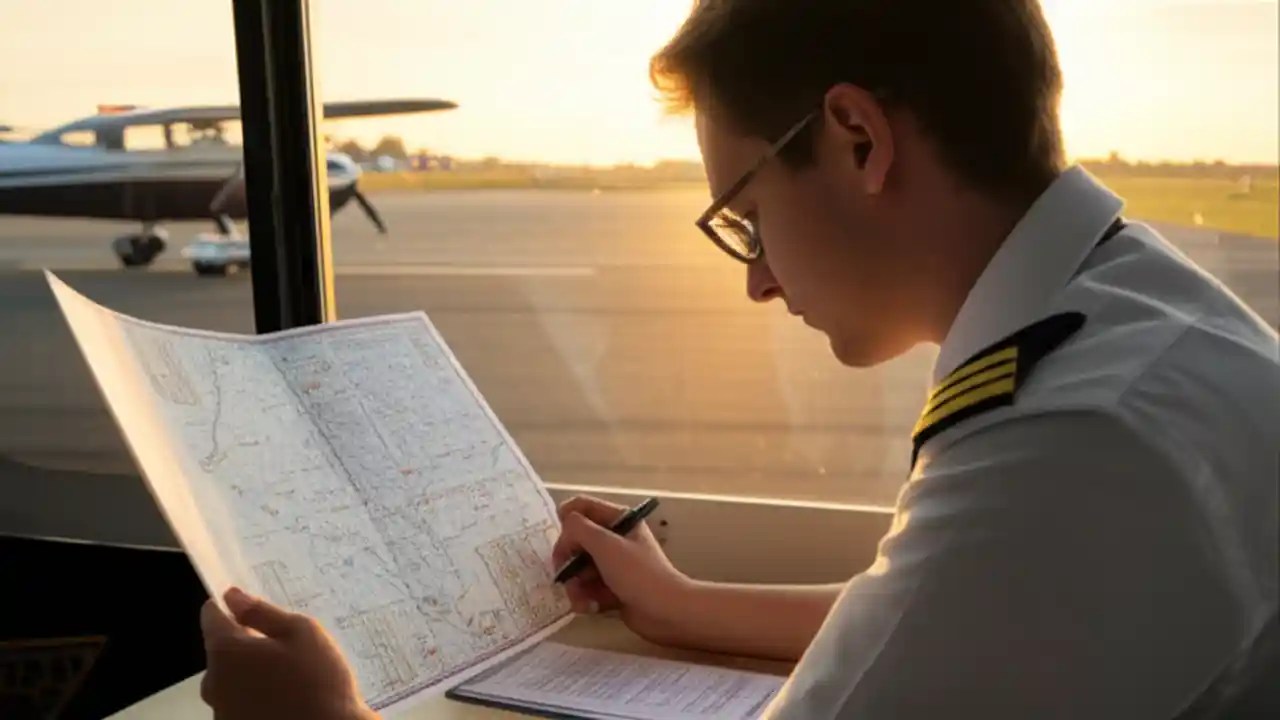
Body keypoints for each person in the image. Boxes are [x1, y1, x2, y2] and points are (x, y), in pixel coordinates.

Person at [199, 1, 1279, 718]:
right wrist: (683, 603)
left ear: (859, 139)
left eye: (745, 215)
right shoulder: (1127, 322)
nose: (756, 281)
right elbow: (944, 608)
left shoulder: (1076, 442)